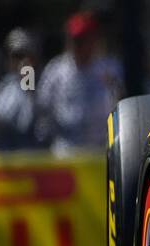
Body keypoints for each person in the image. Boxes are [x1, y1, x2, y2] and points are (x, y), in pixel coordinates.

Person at [38, 12, 121, 152]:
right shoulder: (56, 70)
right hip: (65, 150)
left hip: (99, 150)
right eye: (75, 40)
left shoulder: (110, 69)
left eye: (83, 40)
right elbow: (42, 108)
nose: (78, 45)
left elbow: (120, 107)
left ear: (94, 40)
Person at [0, 28, 44, 150]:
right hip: (5, 158)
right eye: (15, 56)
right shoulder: (2, 88)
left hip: (31, 157)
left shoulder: (43, 83)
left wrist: (28, 82)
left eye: (23, 55)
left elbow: (29, 122)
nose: (20, 61)